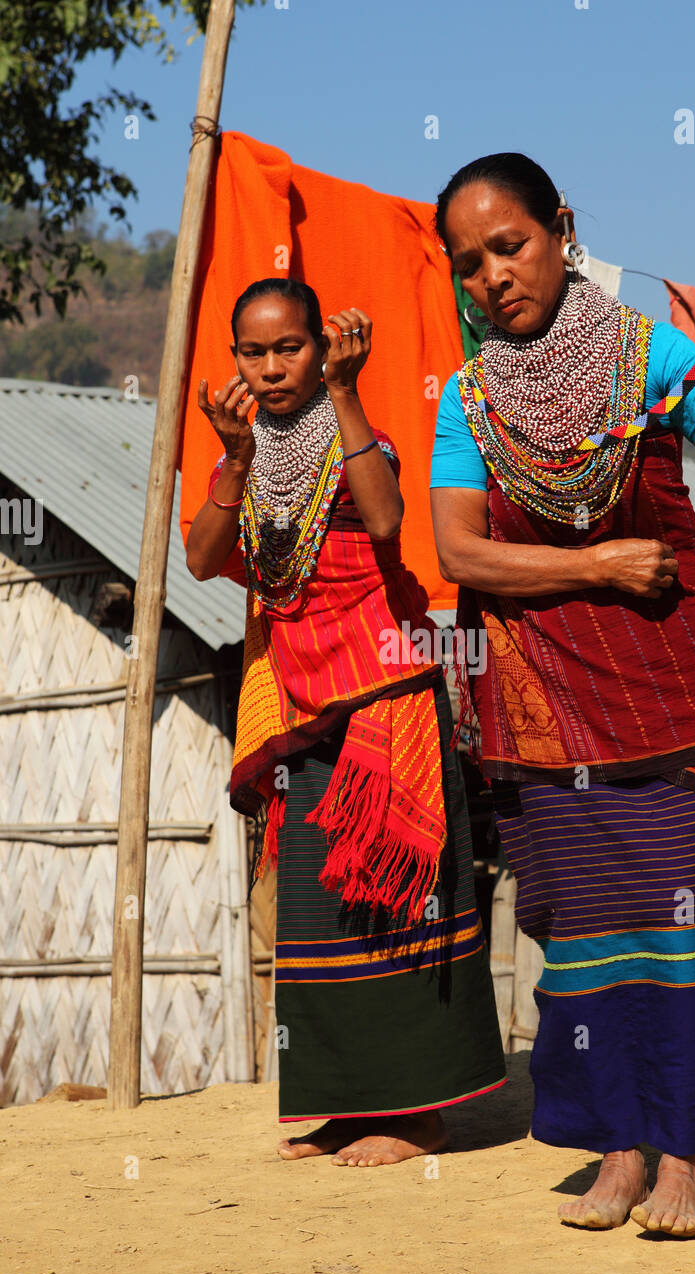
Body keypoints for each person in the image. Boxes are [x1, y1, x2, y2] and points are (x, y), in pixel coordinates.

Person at [429, 153, 695, 1234]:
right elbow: (459, 553)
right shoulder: (466, 398)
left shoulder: (650, 356)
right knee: (578, 934)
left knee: (674, 922)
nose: (491, 276)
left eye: (509, 246)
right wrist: (600, 565)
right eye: (468, 261)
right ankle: (613, 1149)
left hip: (666, 691)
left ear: (560, 229)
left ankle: (679, 1154)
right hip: (540, 710)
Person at [187, 277, 505, 1166]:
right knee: (317, 908)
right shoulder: (242, 457)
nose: (272, 364)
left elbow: (389, 517)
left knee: (396, 894)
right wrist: (238, 457)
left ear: (320, 348)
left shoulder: (360, 432)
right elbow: (204, 559)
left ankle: (417, 1114)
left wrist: (347, 393)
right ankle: (339, 1103)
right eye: (254, 351)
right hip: (297, 701)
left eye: (290, 346)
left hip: (383, 690)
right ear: (237, 359)